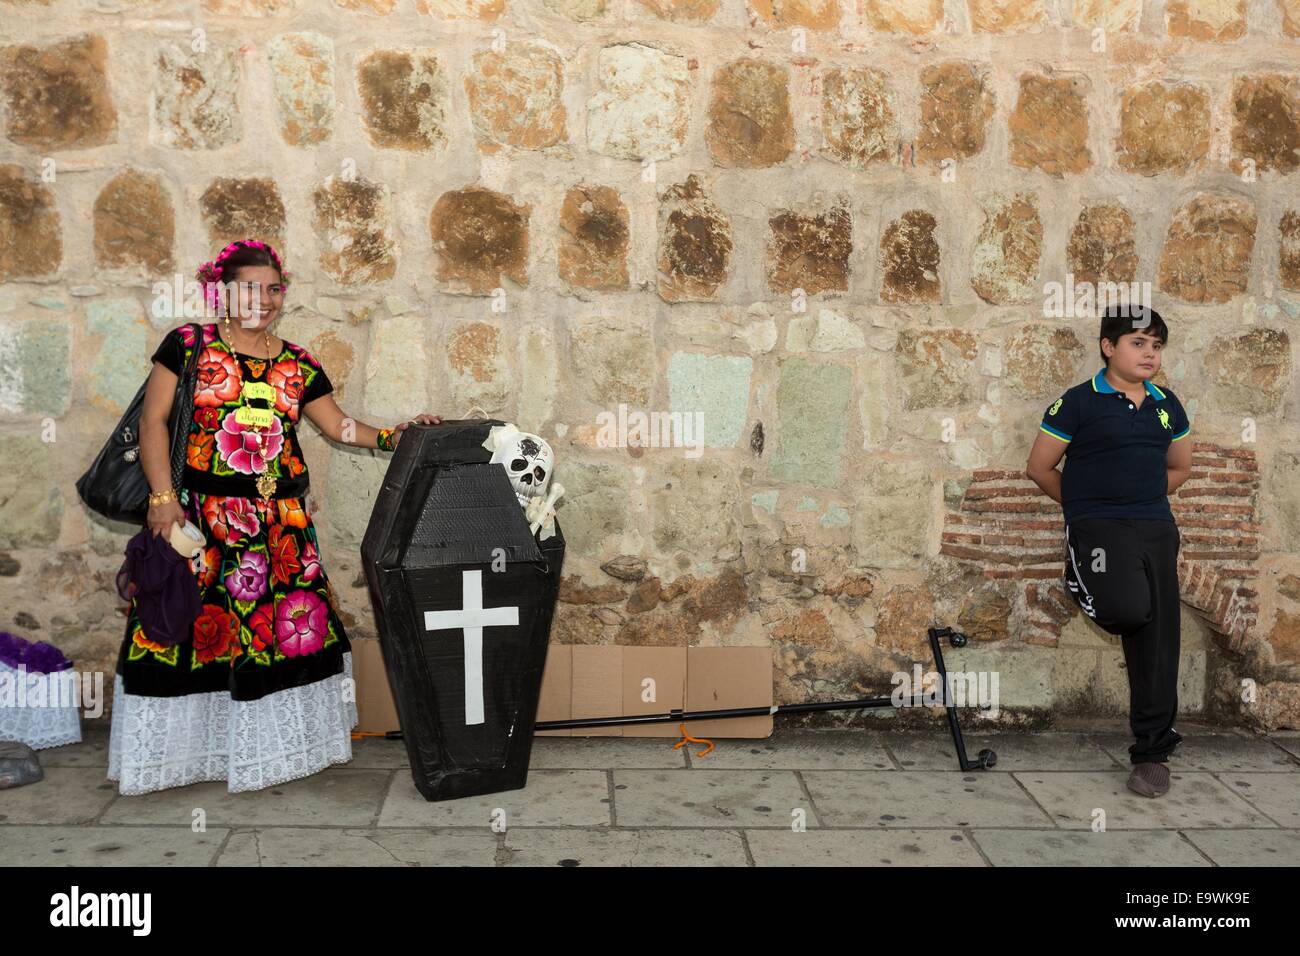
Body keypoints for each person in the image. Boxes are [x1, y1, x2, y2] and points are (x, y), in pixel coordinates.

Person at [107, 238, 442, 795]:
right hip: (204, 523)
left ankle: (273, 751)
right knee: (193, 633)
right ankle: (190, 754)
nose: (261, 299)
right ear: (223, 291)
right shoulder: (188, 346)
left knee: (278, 636)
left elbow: (339, 428)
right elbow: (154, 423)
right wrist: (163, 501)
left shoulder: (297, 363)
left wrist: (395, 435)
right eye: (248, 288)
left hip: (280, 531)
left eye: (271, 289)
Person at [1025, 304, 1192, 799]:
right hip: (1099, 529)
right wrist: (1088, 508)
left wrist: (1140, 493)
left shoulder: (1167, 404)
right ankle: (1081, 577)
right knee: (1124, 609)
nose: (1149, 354)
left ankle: (1152, 754)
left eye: (1156, 346)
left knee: (1159, 641)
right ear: (1108, 347)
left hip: (1157, 528)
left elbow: (1180, 468)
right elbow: (1039, 467)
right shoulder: (1078, 402)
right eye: (1138, 343)